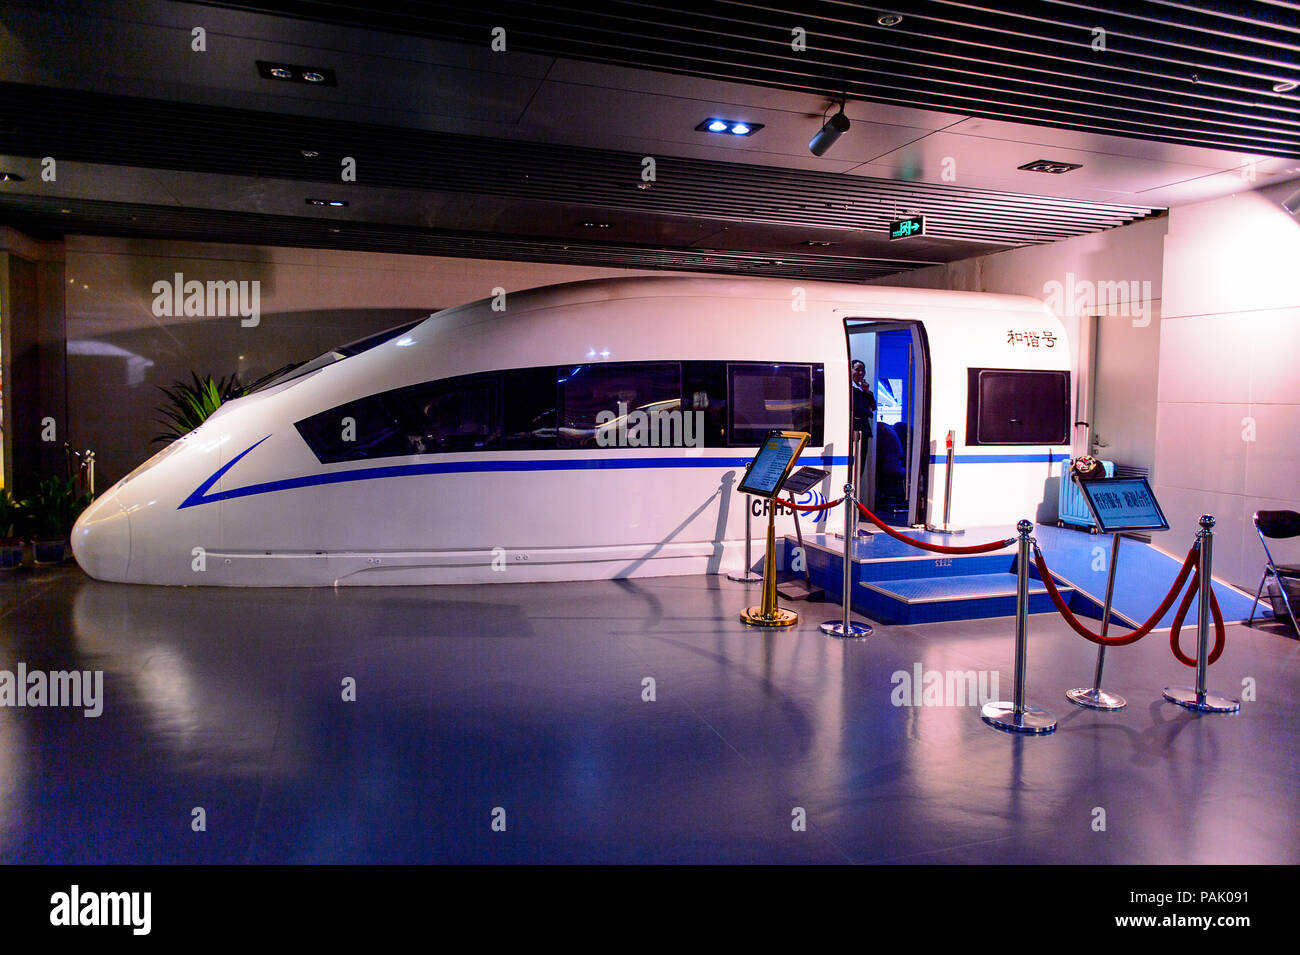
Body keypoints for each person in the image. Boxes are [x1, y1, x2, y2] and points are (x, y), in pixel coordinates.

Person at [850, 360, 876, 485]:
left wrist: (866, 392)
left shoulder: (863, 390)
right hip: (853, 432)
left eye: (863, 370)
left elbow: (873, 407)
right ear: (850, 370)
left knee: (860, 466)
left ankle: (856, 490)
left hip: (863, 432)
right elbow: (860, 410)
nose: (861, 373)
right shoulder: (848, 389)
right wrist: (867, 411)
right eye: (857, 369)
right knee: (853, 465)